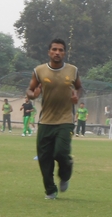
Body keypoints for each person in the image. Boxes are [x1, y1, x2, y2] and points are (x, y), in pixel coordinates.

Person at [27, 38, 81, 199]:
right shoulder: (39, 71)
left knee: (61, 153)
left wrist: (77, 96)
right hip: (45, 121)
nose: (57, 52)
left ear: (64, 53)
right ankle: (50, 191)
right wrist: (33, 94)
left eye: (61, 50)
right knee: (44, 158)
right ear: (49, 52)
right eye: (54, 49)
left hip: (65, 120)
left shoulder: (73, 70)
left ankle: (65, 174)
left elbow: (79, 87)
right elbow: (29, 90)